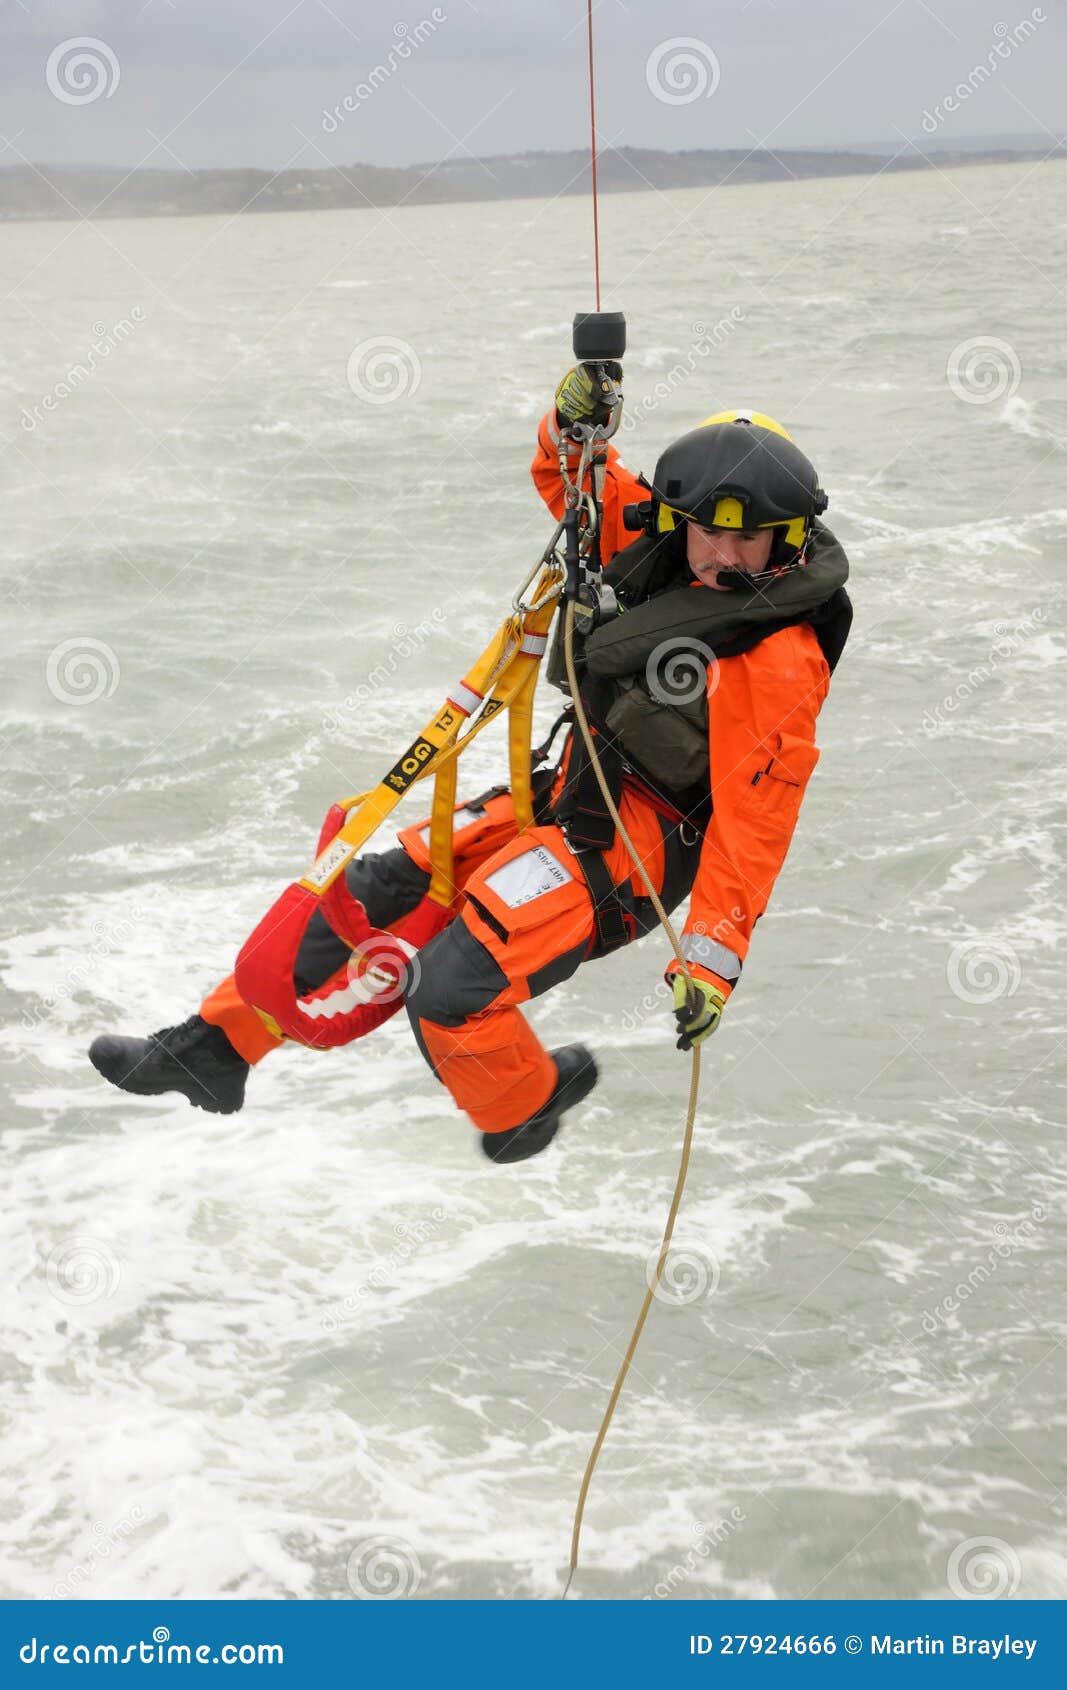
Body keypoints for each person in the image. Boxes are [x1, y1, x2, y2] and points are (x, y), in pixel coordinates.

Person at [89, 365, 852, 1162]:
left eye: (749, 537)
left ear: (786, 538)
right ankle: (210, 1051)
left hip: (638, 845)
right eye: (707, 530)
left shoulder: (778, 661)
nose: (723, 554)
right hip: (572, 790)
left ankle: (521, 1107)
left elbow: (756, 820)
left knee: (449, 991)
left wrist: (709, 962)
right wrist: (573, 417)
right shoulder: (650, 536)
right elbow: (574, 476)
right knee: (366, 892)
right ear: (678, 517)